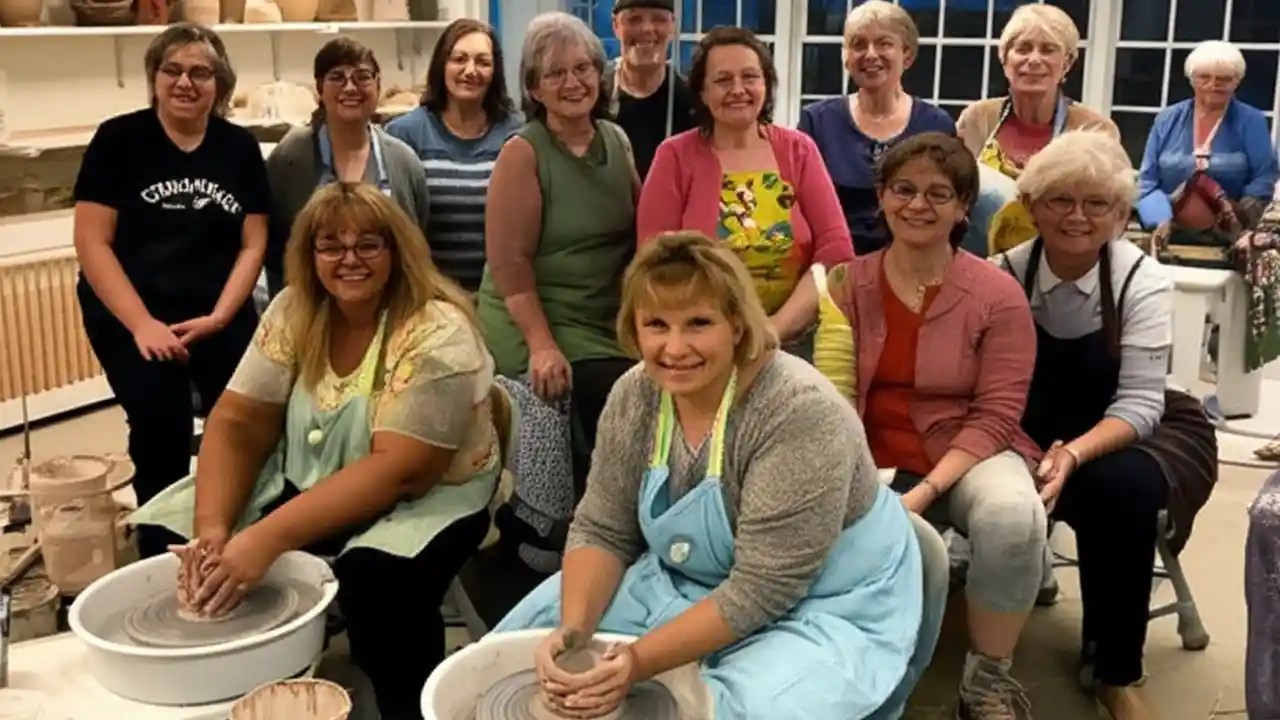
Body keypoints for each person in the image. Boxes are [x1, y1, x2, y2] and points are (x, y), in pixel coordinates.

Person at [491, 231, 922, 720]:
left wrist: (636, 662)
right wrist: (572, 633)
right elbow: (603, 528)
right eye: (656, 325)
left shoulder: (797, 413)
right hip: (687, 575)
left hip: (824, 597)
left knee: (732, 708)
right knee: (515, 649)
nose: (675, 348)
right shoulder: (636, 395)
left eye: (698, 323)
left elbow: (763, 588)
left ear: (737, 325)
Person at [130, 183, 500, 720]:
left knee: (379, 584)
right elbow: (238, 420)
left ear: (398, 251)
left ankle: (406, 705)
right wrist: (214, 528)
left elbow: (401, 472)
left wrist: (262, 540)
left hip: (431, 497)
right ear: (309, 256)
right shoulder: (294, 309)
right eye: (331, 245)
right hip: (310, 472)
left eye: (369, 244)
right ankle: (244, 689)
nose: (350, 259)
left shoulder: (435, 330)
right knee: (178, 538)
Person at [823, 132, 1045, 720]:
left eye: (938, 193)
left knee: (1013, 517)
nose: (918, 205)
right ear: (882, 196)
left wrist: (925, 492)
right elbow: (834, 393)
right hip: (865, 448)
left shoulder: (998, 294)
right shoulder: (848, 283)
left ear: (963, 207)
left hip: (968, 447)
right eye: (904, 189)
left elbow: (998, 413)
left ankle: (987, 682)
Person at [998, 130, 1218, 720]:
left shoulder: (1139, 280)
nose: (1078, 216)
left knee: (1121, 488)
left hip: (1129, 423)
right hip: (1027, 421)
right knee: (996, 486)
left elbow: (1141, 405)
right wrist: (1026, 450)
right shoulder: (1002, 275)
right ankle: (984, 656)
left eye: (1097, 204)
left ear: (1121, 215)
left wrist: (1070, 455)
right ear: (1032, 205)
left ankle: (1116, 669)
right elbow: (994, 392)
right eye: (1060, 200)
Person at [72, 23, 268, 560]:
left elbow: (253, 244)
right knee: (161, 422)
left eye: (200, 72)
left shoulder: (238, 148)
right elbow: (92, 244)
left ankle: (236, 534)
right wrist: (142, 325)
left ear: (219, 84)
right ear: (154, 79)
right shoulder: (119, 141)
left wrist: (222, 318)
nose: (186, 83)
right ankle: (162, 550)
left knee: (249, 413)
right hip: (130, 311)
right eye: (172, 70)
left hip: (215, 309)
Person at [477, 11, 639, 569]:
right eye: (555, 74)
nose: (572, 83)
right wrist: (542, 344)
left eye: (583, 69)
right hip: (533, 314)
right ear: (532, 88)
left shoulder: (616, 141)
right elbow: (509, 261)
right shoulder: (523, 153)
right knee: (608, 389)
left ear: (600, 75)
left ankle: (617, 528)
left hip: (603, 315)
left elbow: (640, 237)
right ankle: (549, 529)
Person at [637, 26, 853, 361]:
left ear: (766, 85)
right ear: (703, 92)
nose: (738, 89)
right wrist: (717, 332)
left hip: (793, 340)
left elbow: (836, 250)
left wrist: (774, 330)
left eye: (750, 77)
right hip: (701, 344)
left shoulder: (799, 150)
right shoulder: (674, 156)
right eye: (723, 80)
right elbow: (654, 257)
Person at [1135, 40, 1280, 383]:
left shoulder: (1250, 120)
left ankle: (1231, 364)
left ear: (1237, 82)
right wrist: (1160, 218)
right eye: (1206, 77)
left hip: (1231, 223)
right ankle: (1159, 360)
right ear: (1192, 79)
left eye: (1224, 78)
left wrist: (1239, 214)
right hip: (1173, 221)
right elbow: (1148, 179)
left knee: (1258, 256)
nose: (1214, 85)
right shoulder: (1168, 119)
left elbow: (1264, 175)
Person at [264, 37, 430, 298]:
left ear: (377, 85)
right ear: (319, 88)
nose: (350, 87)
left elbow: (416, 244)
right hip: (311, 309)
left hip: (390, 308)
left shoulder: (403, 161)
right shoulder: (290, 158)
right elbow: (274, 250)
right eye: (337, 77)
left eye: (362, 76)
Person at [957, 4, 1119, 255]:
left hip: (1060, 265)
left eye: (1048, 50)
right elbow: (955, 196)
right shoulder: (977, 118)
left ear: (1067, 63)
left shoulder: (1095, 129)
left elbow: (1107, 215)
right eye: (1022, 49)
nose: (1034, 60)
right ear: (1005, 59)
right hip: (979, 263)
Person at [798, 1, 955, 255]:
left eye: (884, 43)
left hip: (915, 261)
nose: (870, 54)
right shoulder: (817, 122)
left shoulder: (936, 125)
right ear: (846, 57)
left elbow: (949, 209)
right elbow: (800, 212)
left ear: (908, 55)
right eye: (858, 44)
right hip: (834, 264)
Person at [386, 18, 523, 293]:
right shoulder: (404, 134)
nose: (470, 71)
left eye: (483, 62)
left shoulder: (517, 131)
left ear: (495, 71)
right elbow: (396, 230)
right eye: (459, 59)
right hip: (428, 297)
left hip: (500, 298)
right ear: (441, 65)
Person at [602, 0, 696, 180]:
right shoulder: (595, 98)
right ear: (616, 26)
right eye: (634, 19)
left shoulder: (693, 104)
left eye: (659, 19)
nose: (646, 29)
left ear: (673, 26)